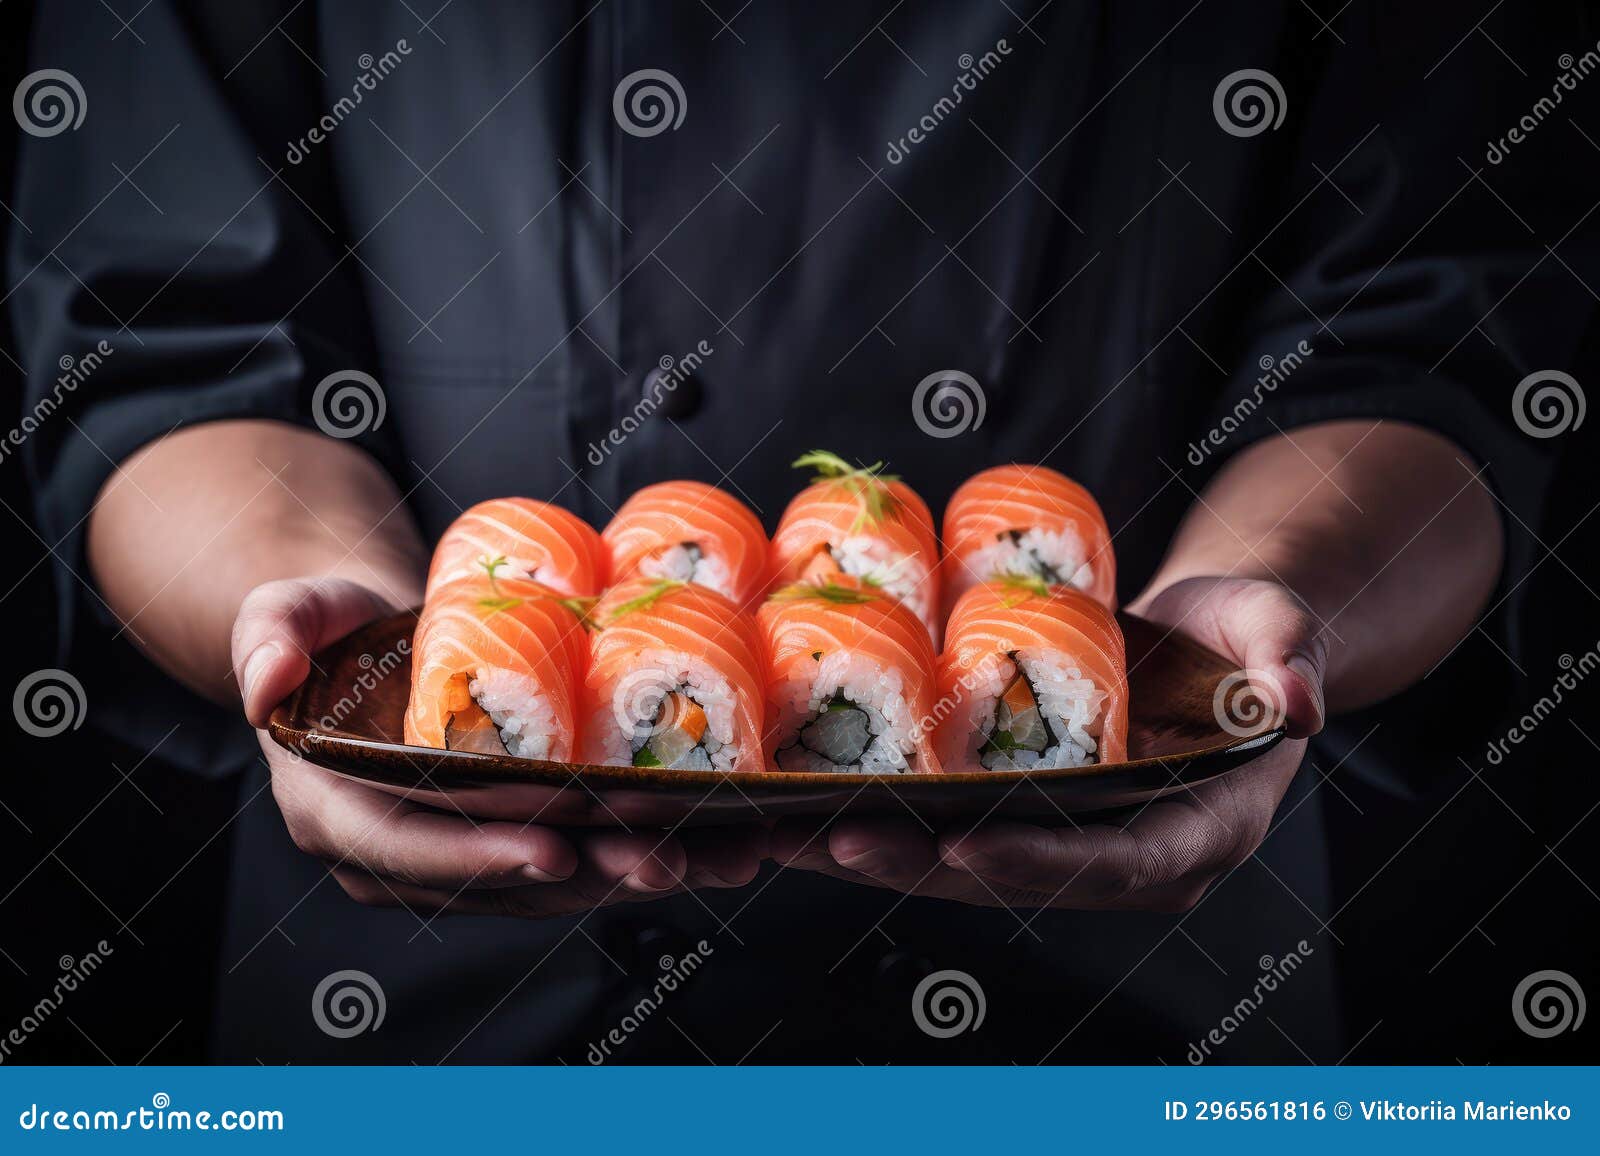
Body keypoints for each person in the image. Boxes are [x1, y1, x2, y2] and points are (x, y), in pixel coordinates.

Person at [11, 1, 1592, 1062]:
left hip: (1130, 1000)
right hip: (427, 1016)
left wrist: (1275, 607)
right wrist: (324, 627)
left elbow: (1431, 330)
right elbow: (165, 336)